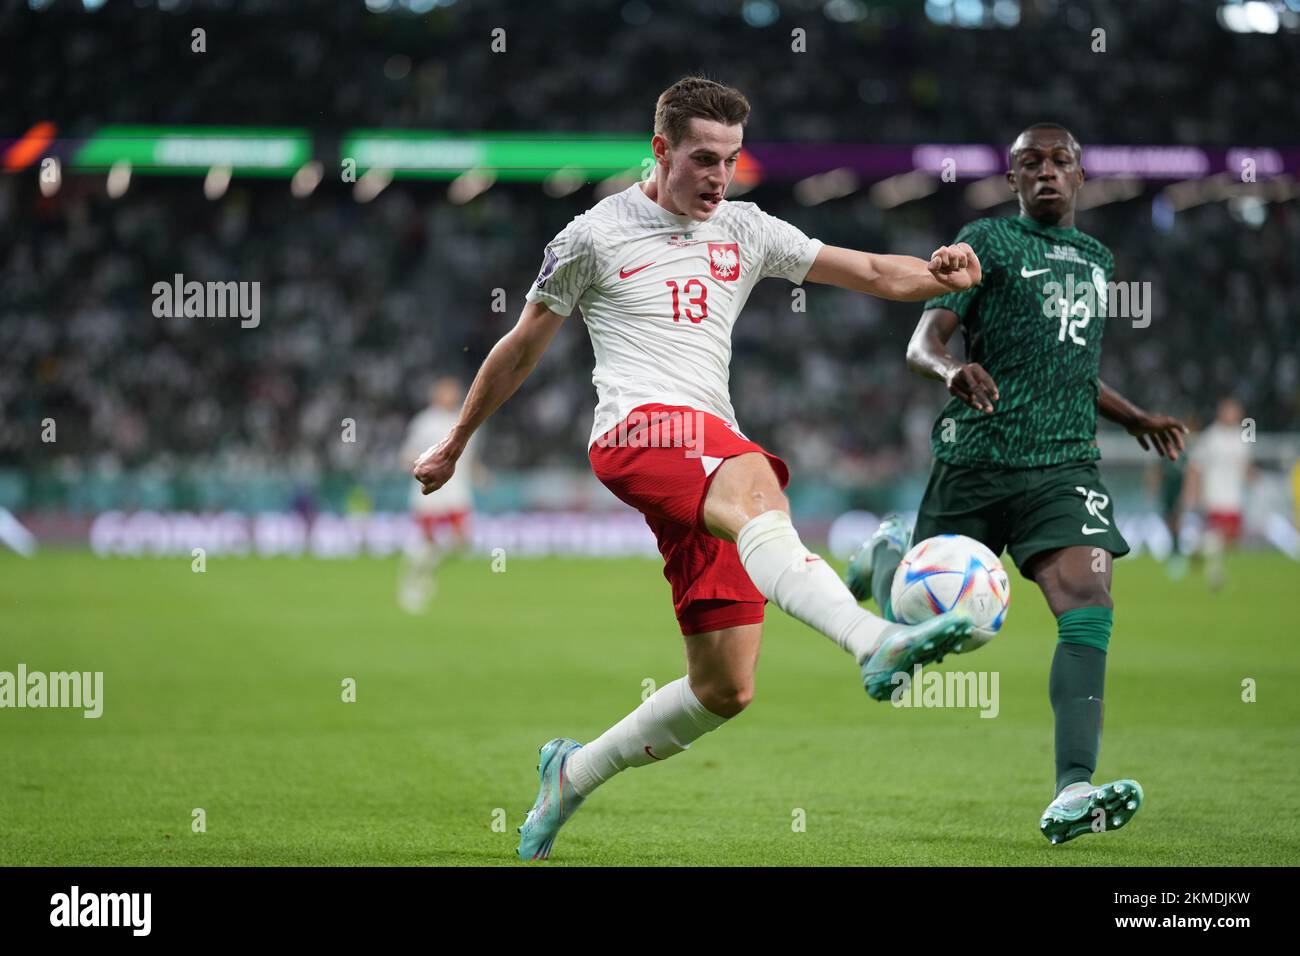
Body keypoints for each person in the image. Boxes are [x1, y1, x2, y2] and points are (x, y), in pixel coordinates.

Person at [412, 76, 981, 860]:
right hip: (637, 432)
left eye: (732, 160)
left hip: (706, 449)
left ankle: (570, 773)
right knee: (757, 482)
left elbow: (879, 274)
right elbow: (520, 348)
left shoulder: (746, 230)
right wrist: (456, 441)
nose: (719, 177)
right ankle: (870, 636)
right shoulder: (592, 235)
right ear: (660, 150)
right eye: (703, 159)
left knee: (725, 688)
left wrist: (941, 272)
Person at [845, 124, 1186, 845]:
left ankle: (1073, 790)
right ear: (1013, 180)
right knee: (925, 629)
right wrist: (951, 372)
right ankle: (883, 556)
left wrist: (1132, 418)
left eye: (1061, 161)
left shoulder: (1097, 259)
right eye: (1030, 163)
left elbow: (1071, 367)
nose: (1047, 173)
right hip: (977, 460)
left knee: (1089, 602)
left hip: (1064, 467)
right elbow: (922, 343)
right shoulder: (987, 243)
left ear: (1082, 176)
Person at [398, 377, 479, 613]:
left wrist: (479, 474)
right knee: (428, 541)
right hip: (430, 493)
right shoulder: (425, 422)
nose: (451, 396)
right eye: (446, 392)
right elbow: (407, 454)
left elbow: (467, 457)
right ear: (436, 395)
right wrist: (421, 465)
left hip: (456, 491)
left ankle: (426, 569)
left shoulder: (464, 419)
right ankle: (412, 580)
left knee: (463, 541)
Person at [1183, 396, 1254, 591]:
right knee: (1219, 536)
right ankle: (1215, 576)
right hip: (1215, 494)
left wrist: (1252, 477)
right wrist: (1192, 492)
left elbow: (1245, 465)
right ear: (1221, 412)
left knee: (1230, 539)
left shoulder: (1243, 436)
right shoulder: (1211, 437)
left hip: (1235, 496)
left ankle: (1197, 547)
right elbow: (1194, 466)